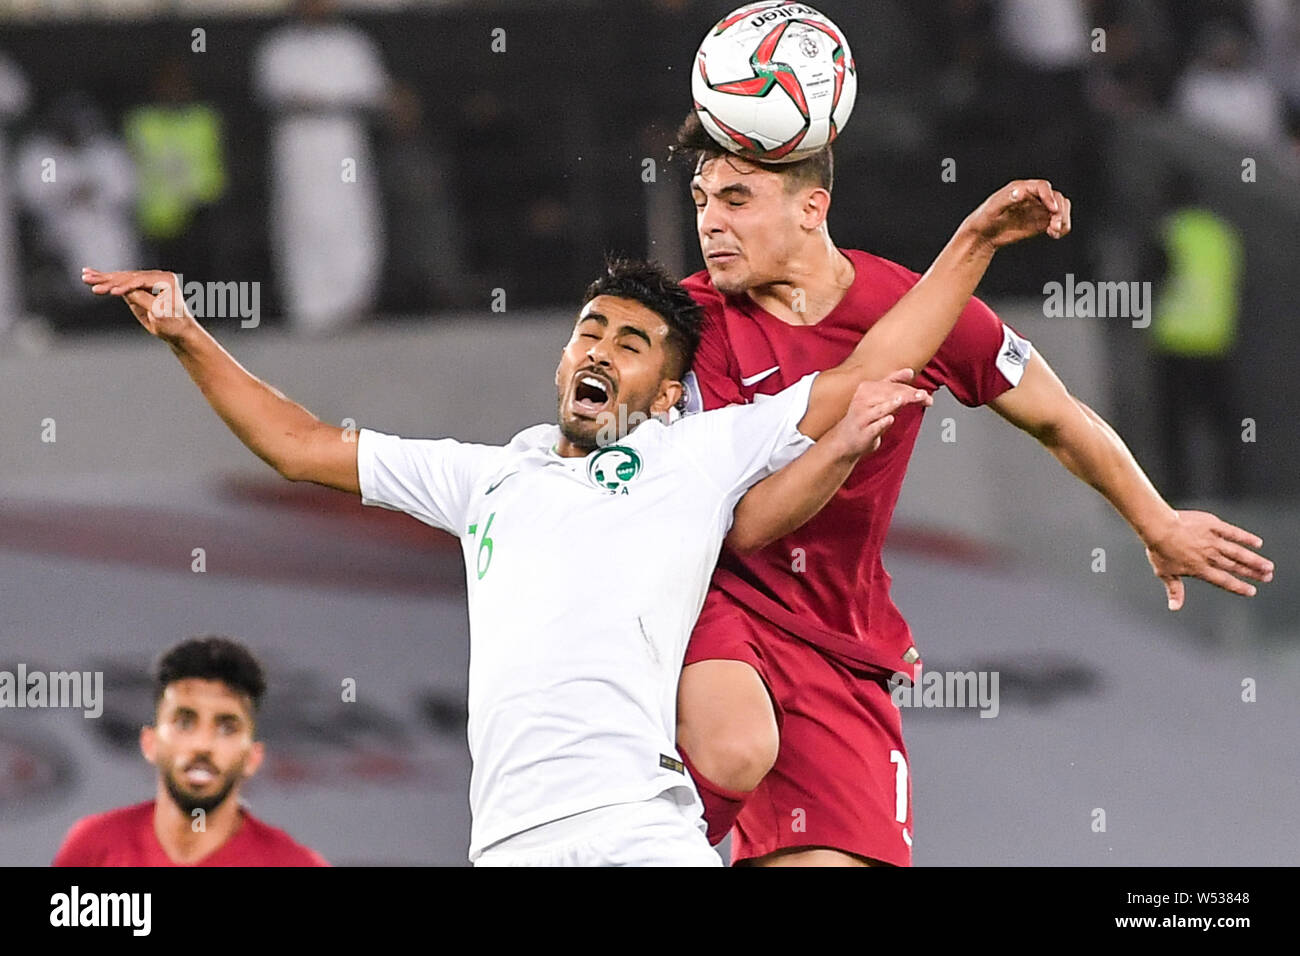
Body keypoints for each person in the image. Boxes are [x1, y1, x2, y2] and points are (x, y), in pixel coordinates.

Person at [79, 181, 1062, 865]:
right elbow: (297, 443)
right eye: (589, 328)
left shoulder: (696, 454)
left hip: (643, 836)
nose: (600, 346)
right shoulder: (483, 477)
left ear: (668, 388)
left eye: (632, 341)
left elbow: (860, 365)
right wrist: (185, 334)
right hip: (510, 845)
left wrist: (969, 245)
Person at [667, 113, 1275, 867]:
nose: (710, 224)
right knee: (730, 749)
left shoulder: (915, 307)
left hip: (837, 644)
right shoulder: (688, 322)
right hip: (713, 606)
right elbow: (745, 527)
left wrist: (1156, 520)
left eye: (735, 200)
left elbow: (1059, 417)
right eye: (700, 201)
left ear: (810, 208)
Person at [52, 635, 328, 867]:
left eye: (226, 727)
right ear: (151, 743)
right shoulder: (94, 846)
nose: (202, 745)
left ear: (252, 758)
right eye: (185, 722)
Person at [252, 0, 389, 334]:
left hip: (342, 144)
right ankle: (310, 307)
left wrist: (327, 101)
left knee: (350, 214)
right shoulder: (279, 47)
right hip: (298, 147)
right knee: (303, 219)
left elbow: (375, 92)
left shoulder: (352, 43)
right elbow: (276, 92)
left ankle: (354, 300)